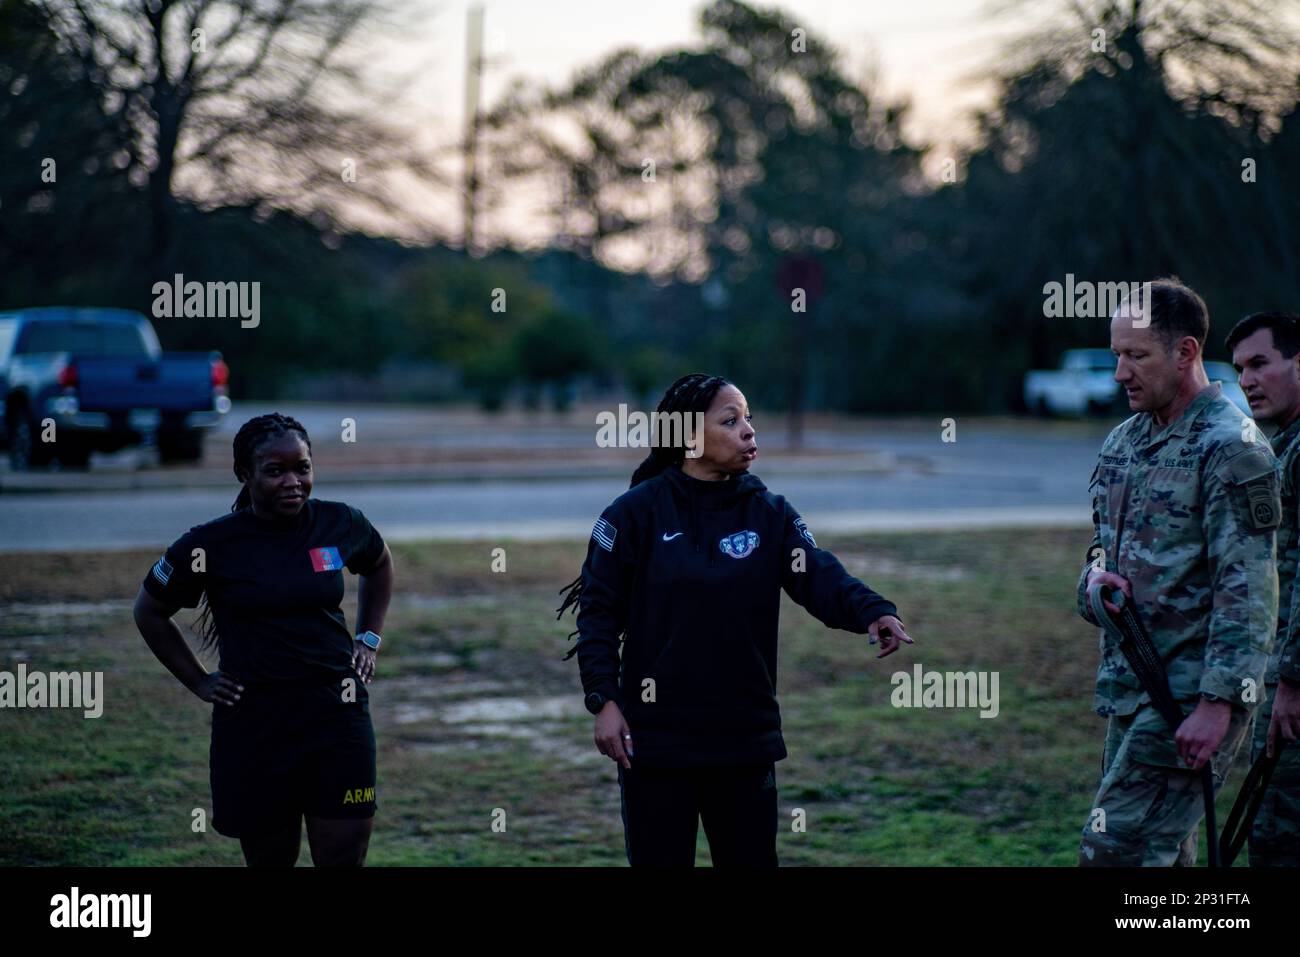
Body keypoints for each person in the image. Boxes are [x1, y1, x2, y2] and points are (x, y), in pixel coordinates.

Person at [557, 372, 913, 867]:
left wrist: (873, 610)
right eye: (731, 420)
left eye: (749, 419)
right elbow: (597, 613)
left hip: (743, 740)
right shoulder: (633, 515)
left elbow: (819, 575)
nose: (748, 430)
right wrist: (604, 699)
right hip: (656, 742)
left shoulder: (769, 514)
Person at [133, 413, 394, 866]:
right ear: (245, 474)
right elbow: (150, 611)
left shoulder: (340, 523)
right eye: (276, 471)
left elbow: (379, 563)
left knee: (344, 859)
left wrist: (368, 638)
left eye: (303, 468)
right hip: (255, 729)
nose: (293, 481)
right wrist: (198, 681)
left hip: (337, 720)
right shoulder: (210, 545)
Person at [1077, 279, 1278, 866]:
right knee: (1163, 857)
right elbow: (1099, 547)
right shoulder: (1125, 441)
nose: (1119, 372)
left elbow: (1250, 591)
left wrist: (1219, 704)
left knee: (1114, 850)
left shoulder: (1232, 449)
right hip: (1131, 684)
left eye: (1135, 355)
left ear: (1185, 352)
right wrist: (1091, 583)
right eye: (1116, 353)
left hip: (1192, 696)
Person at [1227, 311, 1300, 866]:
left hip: (1293, 689)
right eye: (1239, 369)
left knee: (1278, 837)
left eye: (1260, 363)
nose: (1247, 381)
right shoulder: (1286, 447)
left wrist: (1292, 683)